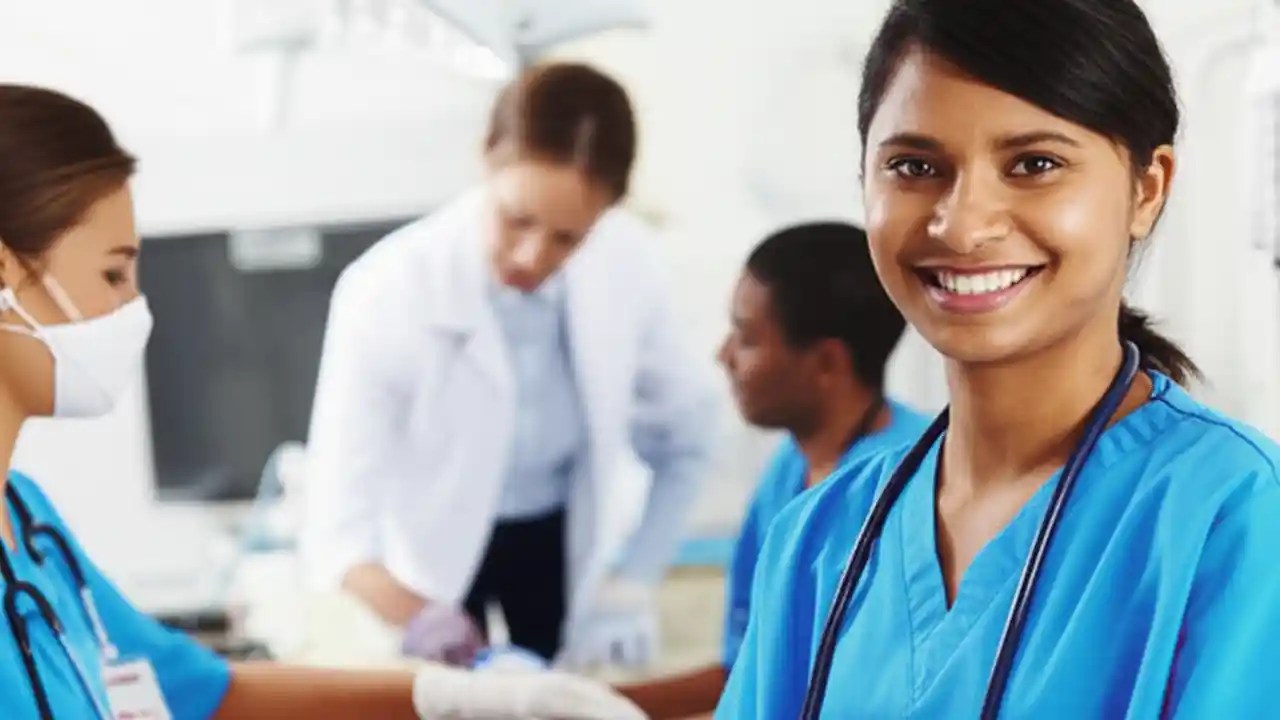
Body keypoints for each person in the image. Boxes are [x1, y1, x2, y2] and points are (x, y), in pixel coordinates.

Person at [0, 85, 649, 719]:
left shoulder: (31, 522)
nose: (132, 310)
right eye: (113, 274)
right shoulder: (392, 291)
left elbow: (209, 691)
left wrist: (455, 696)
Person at [716, 0, 1280, 717]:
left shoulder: (1234, 519)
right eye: (914, 166)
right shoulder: (819, 541)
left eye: (1034, 164)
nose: (962, 223)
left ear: (1147, 189)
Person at [303, 61, 718, 670]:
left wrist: (631, 583)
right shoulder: (385, 290)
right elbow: (337, 530)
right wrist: (417, 614)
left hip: (559, 547)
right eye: (516, 220)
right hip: (428, 575)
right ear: (486, 157)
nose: (533, 256)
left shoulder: (628, 264)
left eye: (567, 238)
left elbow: (687, 441)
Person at [617, 222, 929, 718]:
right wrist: (592, 704)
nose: (724, 356)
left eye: (746, 338)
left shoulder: (917, 487)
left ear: (826, 362)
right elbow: (750, 667)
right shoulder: (791, 467)